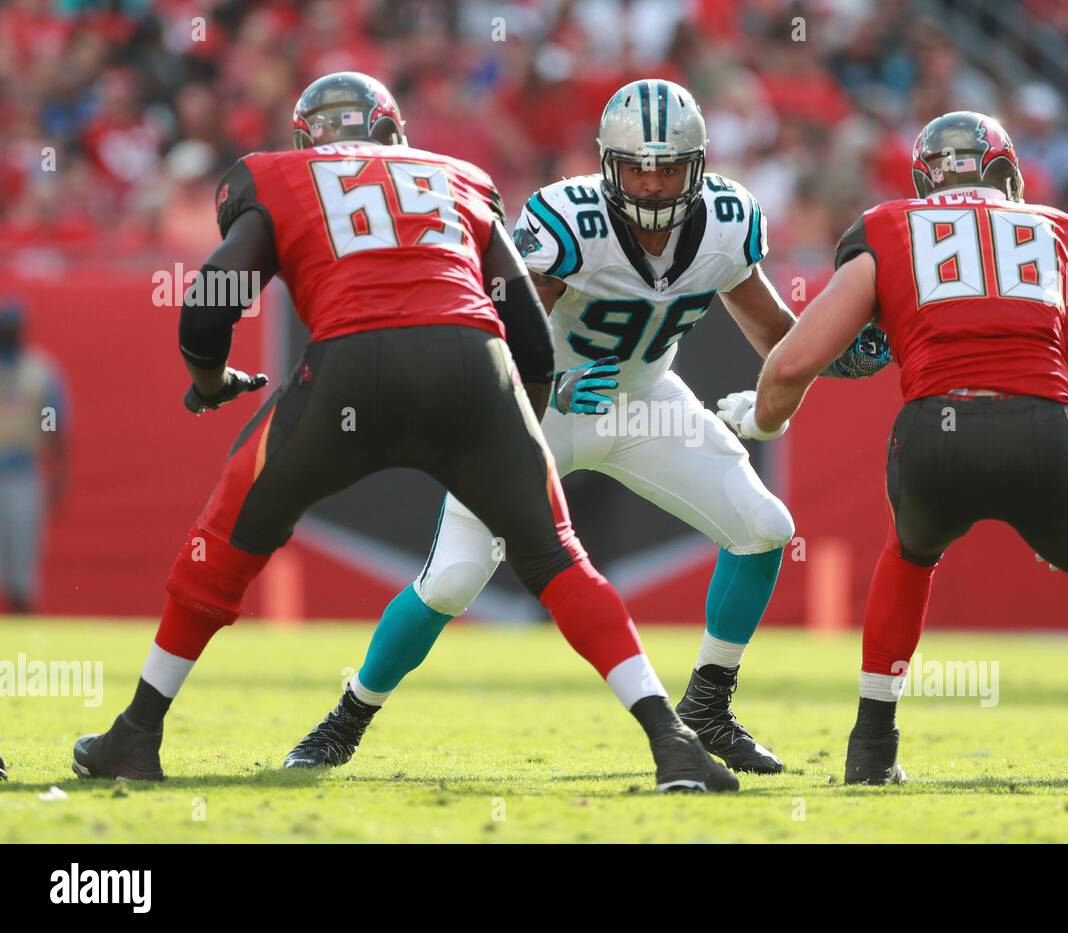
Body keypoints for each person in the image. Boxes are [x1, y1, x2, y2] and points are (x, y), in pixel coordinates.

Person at [72, 71, 736, 793]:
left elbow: (209, 301)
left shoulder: (276, 175)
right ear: (397, 134)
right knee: (556, 556)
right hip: (475, 366)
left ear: (307, 140)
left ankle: (138, 730)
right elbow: (531, 339)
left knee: (228, 536)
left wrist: (208, 380)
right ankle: (671, 741)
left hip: (350, 368)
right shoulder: (460, 178)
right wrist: (516, 428)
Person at [286, 79, 890, 775]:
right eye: (638, 166)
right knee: (452, 577)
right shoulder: (568, 218)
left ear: (698, 165)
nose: (654, 184)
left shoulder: (728, 219)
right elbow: (493, 332)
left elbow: (776, 337)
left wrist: (841, 353)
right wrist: (555, 384)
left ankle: (707, 708)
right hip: (532, 409)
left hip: (642, 400)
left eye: (669, 167)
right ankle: (348, 716)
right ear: (609, 164)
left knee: (764, 527)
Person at [720, 110, 1068, 784]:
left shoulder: (889, 227)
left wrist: (764, 422)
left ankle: (872, 743)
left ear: (926, 180)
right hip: (1042, 427)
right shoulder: (1062, 233)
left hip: (930, 434)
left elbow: (789, 364)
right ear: (1007, 171)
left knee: (909, 557)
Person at [0, 301, 69, 613]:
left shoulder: (38, 372)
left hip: (22, 472)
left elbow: (51, 420)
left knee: (22, 561)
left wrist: (57, 470)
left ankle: (20, 638)